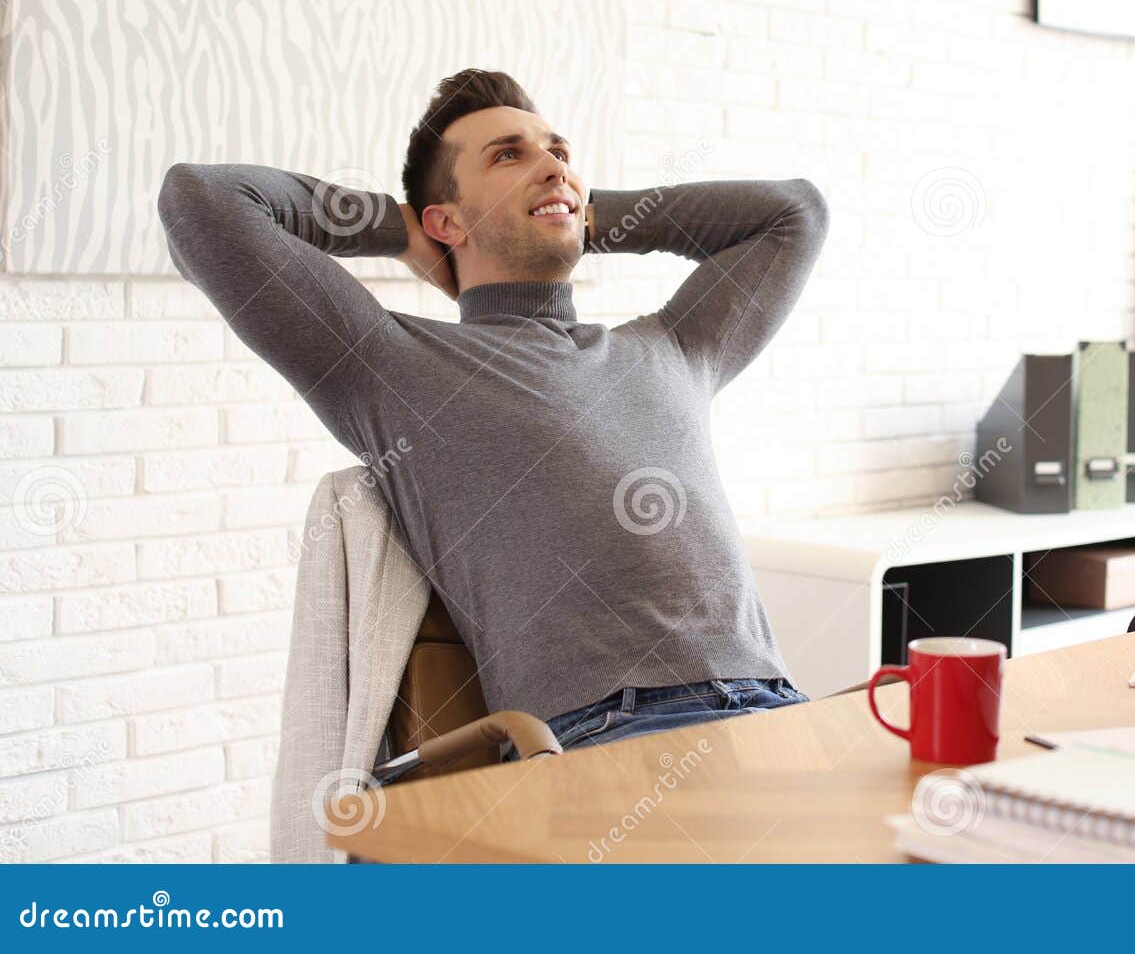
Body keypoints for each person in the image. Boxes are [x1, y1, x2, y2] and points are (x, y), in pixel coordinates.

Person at [158, 68, 829, 749]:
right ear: (445, 218)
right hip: (607, 737)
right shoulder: (394, 366)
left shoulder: (674, 344)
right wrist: (402, 229)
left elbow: (796, 213)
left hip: (779, 709)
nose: (551, 166)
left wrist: (591, 211)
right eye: (509, 154)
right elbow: (201, 201)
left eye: (559, 152)